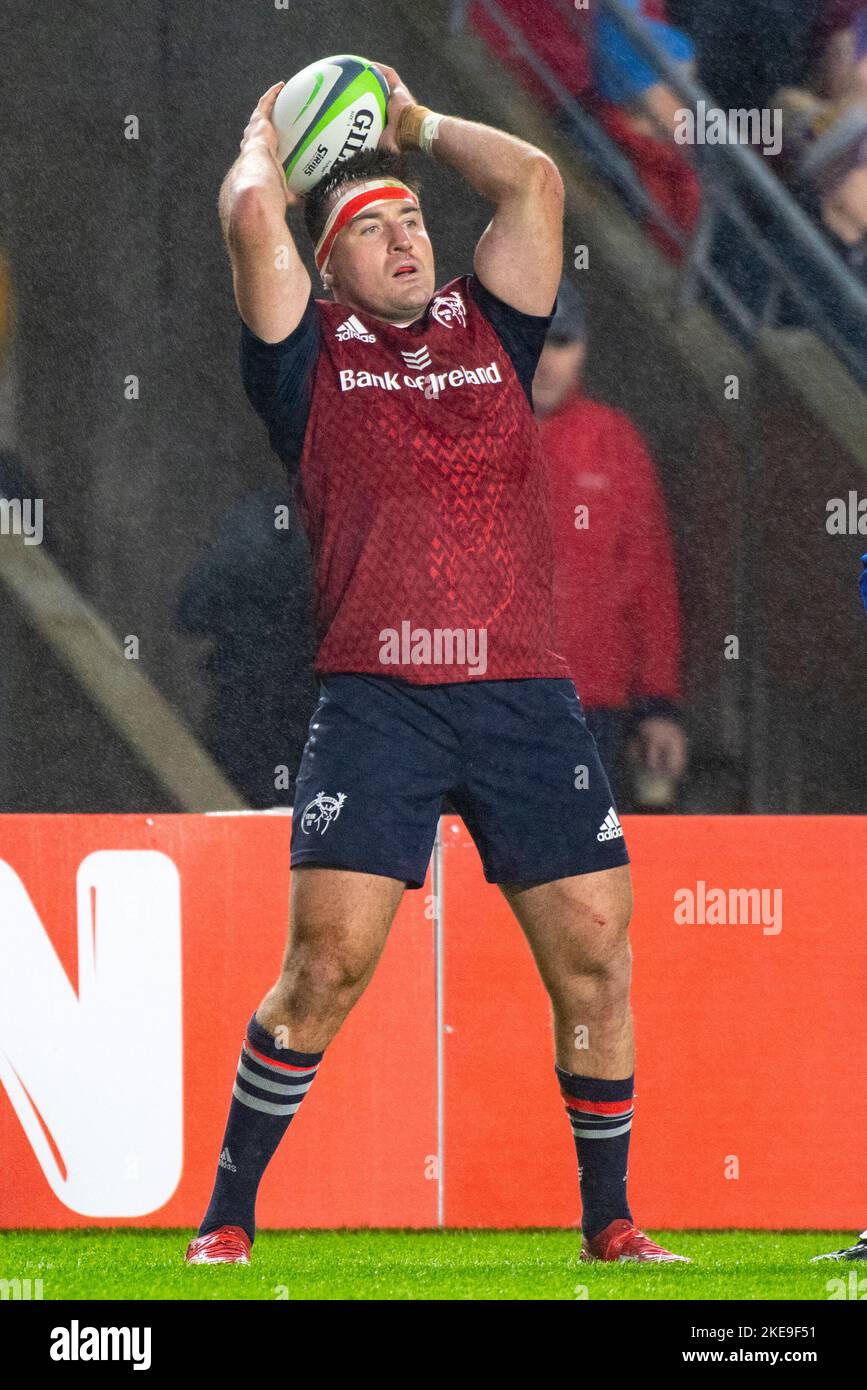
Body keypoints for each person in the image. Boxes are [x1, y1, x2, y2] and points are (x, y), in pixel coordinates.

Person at [185, 65, 689, 1266]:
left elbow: (533, 179)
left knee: (597, 961)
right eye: (374, 226)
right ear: (331, 262)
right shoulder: (306, 358)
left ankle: (611, 1224)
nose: (407, 235)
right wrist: (264, 134)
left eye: (415, 217)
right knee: (323, 968)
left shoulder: (491, 327)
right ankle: (226, 1219)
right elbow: (256, 214)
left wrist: (413, 127)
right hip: (379, 699)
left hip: (526, 695)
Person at [533, 280, 687, 807]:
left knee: (583, 882)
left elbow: (651, 583)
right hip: (472, 708)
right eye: (532, 340)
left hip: (591, 712)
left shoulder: (614, 442)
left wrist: (658, 706)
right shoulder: (450, 437)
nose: (547, 361)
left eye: (563, 342)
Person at [175, 485, 316, 807]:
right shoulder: (260, 521)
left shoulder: (257, 521)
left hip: (259, 717)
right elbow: (190, 611)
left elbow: (191, 611)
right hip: (261, 716)